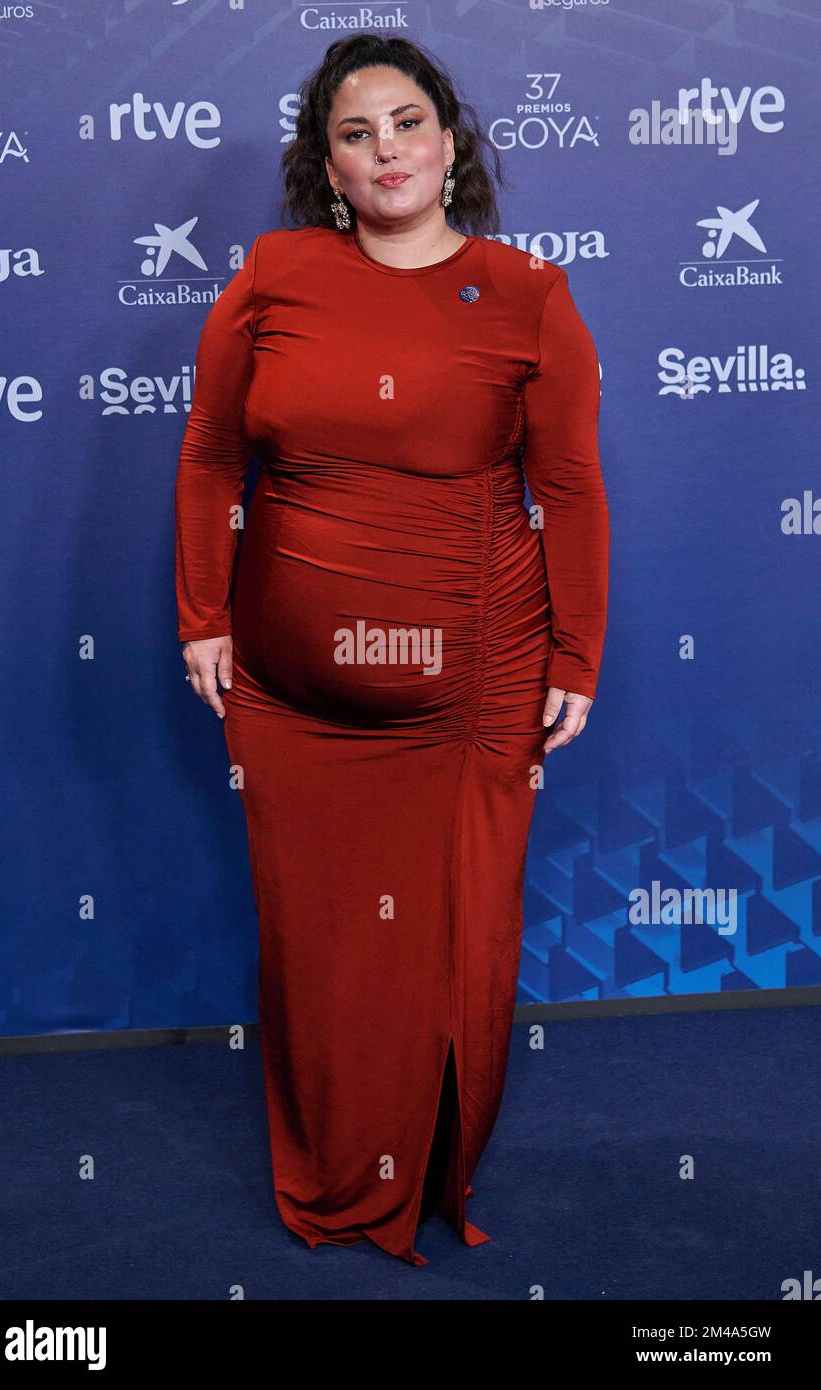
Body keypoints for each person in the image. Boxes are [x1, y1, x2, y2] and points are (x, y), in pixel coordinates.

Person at [174, 33, 609, 1268]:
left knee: (446, 945)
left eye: (406, 123)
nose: (387, 152)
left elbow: (569, 491)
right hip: (288, 701)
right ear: (326, 166)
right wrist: (202, 613)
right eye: (356, 135)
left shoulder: (527, 293)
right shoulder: (271, 275)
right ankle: (326, 1173)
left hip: (466, 684)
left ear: (450, 139)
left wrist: (573, 654)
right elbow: (211, 456)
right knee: (319, 949)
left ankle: (420, 1174)